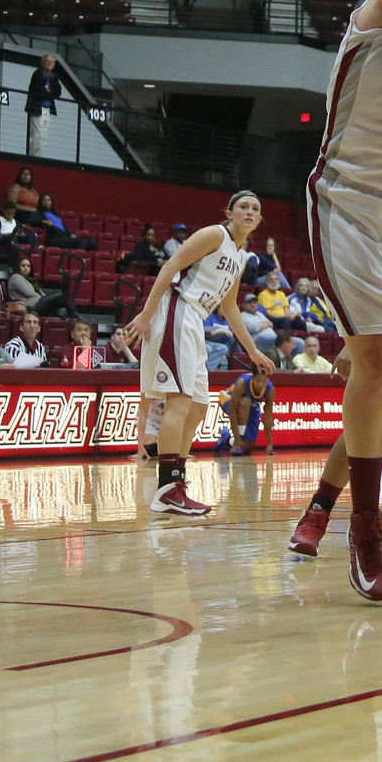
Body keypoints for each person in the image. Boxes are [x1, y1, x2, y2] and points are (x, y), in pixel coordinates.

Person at [121, 191, 274, 518]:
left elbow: (229, 307)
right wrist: (146, 313)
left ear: (260, 219)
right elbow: (171, 265)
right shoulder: (214, 234)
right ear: (229, 213)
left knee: (199, 407)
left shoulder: (241, 256)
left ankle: (176, 484)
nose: (249, 212)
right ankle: (166, 489)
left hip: (197, 320)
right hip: (178, 309)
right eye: (243, 207)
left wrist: (252, 350)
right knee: (179, 402)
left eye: (255, 209)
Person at [217, 370, 275, 455]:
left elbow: (267, 418)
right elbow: (232, 411)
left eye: (264, 381)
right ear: (252, 379)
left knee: (249, 447)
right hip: (228, 398)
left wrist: (270, 444)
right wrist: (237, 438)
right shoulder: (242, 383)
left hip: (251, 404)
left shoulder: (270, 389)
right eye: (258, 380)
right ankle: (239, 438)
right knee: (246, 401)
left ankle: (227, 439)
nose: (261, 384)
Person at [6, 255, 74, 319]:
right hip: (29, 306)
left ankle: (72, 321)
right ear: (18, 267)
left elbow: (42, 294)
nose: (26, 268)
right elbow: (29, 293)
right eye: (23, 266)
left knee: (62, 311)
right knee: (59, 295)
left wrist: (47, 300)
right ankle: (75, 316)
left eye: (28, 266)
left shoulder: (31, 280)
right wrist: (47, 300)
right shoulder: (15, 277)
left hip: (38, 304)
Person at [25, 54, 61, 157]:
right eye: (47, 61)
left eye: (51, 62)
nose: (49, 63)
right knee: (36, 135)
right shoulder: (37, 74)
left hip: (48, 109)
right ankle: (33, 157)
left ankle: (39, 157)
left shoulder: (53, 77)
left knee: (43, 137)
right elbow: (40, 91)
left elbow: (58, 92)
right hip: (37, 108)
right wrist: (50, 93)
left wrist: (49, 92)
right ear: (43, 62)